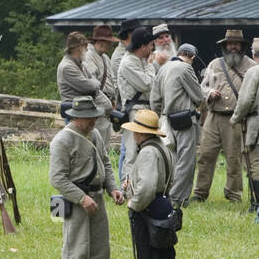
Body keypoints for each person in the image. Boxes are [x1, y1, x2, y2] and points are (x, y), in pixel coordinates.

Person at [48, 95, 124, 259]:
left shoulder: (96, 134)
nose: (93, 121)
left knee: (100, 251)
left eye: (94, 117)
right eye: (89, 118)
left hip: (97, 197)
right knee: (77, 251)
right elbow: (57, 178)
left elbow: (105, 163)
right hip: (77, 201)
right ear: (77, 118)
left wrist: (113, 188)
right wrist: (81, 198)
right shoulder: (62, 141)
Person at [122, 110, 177, 259]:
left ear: (139, 134)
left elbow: (146, 187)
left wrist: (134, 204)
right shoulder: (164, 149)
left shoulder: (146, 153)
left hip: (147, 210)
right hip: (163, 206)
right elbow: (167, 182)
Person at [193, 29, 257, 203]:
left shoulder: (251, 66)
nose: (233, 47)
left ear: (242, 46)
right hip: (213, 117)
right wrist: (209, 93)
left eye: (236, 44)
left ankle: (234, 194)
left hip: (236, 119)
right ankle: (200, 193)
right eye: (230, 43)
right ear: (225, 45)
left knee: (234, 158)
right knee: (205, 155)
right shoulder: (215, 64)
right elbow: (202, 87)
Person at [151, 44, 203, 209]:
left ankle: (171, 195)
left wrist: (160, 116)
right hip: (185, 119)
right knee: (186, 161)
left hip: (166, 119)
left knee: (171, 159)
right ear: (192, 57)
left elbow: (154, 99)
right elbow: (199, 96)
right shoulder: (185, 69)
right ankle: (176, 199)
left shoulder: (163, 68)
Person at [57, 32, 113, 151]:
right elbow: (89, 86)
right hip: (76, 114)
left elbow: (93, 81)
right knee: (82, 149)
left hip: (84, 112)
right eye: (85, 47)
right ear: (78, 48)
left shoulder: (79, 64)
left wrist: (94, 83)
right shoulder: (67, 67)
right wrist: (94, 84)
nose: (87, 50)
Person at [116, 27, 155, 180]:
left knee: (144, 152)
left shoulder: (139, 61)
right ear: (144, 46)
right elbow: (147, 84)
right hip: (135, 111)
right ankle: (127, 190)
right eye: (151, 45)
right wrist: (151, 66)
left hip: (144, 110)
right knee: (132, 153)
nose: (152, 48)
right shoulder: (128, 63)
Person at [231, 38, 259, 210]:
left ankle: (257, 204)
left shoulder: (254, 72)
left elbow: (245, 100)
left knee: (255, 164)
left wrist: (235, 118)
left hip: (256, 124)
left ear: (253, 54)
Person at [83, 24, 120, 152]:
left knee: (104, 150)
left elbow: (112, 80)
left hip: (107, 109)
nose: (111, 45)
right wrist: (108, 103)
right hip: (97, 106)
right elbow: (92, 87)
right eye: (109, 42)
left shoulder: (105, 57)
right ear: (100, 41)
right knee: (95, 149)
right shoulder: (88, 56)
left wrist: (114, 101)